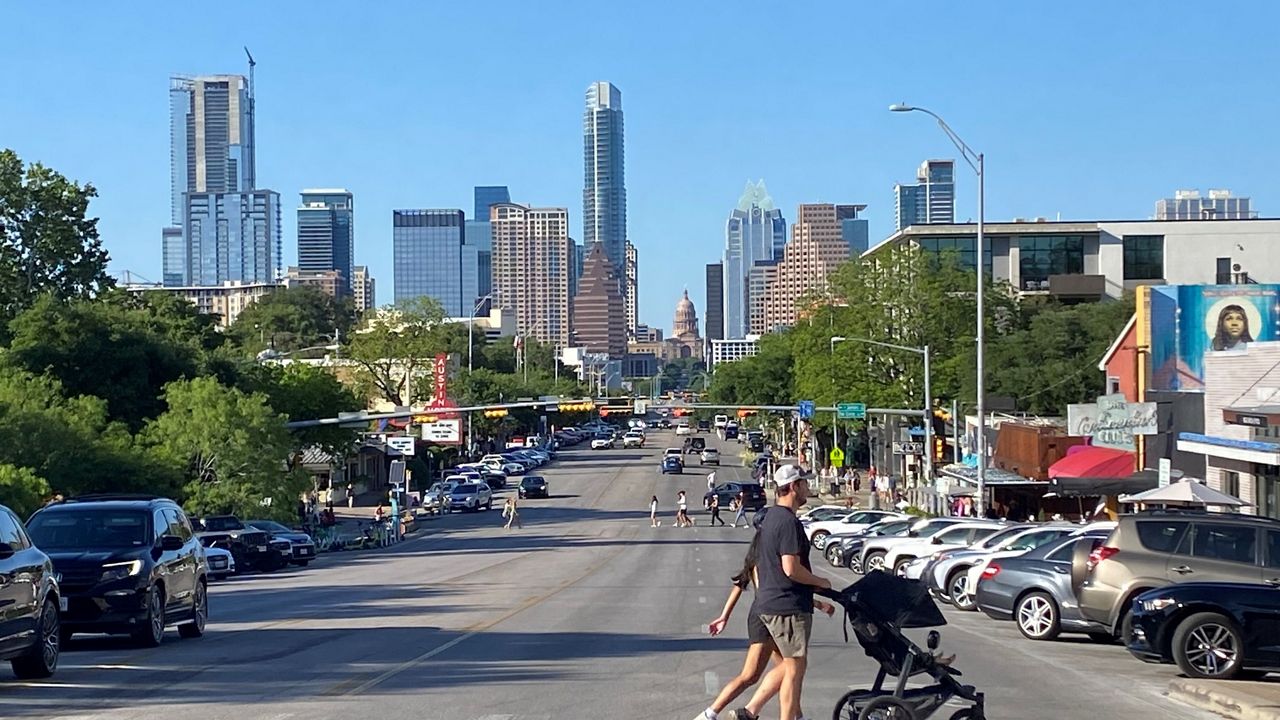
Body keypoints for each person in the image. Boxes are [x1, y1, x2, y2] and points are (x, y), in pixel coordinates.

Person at [732, 464, 832, 720]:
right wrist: (819, 581)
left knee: (789, 666)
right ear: (793, 487)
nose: (808, 487)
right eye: (804, 484)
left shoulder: (771, 518)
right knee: (794, 670)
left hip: (770, 604)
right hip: (787, 607)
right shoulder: (788, 522)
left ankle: (755, 712)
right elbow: (791, 568)